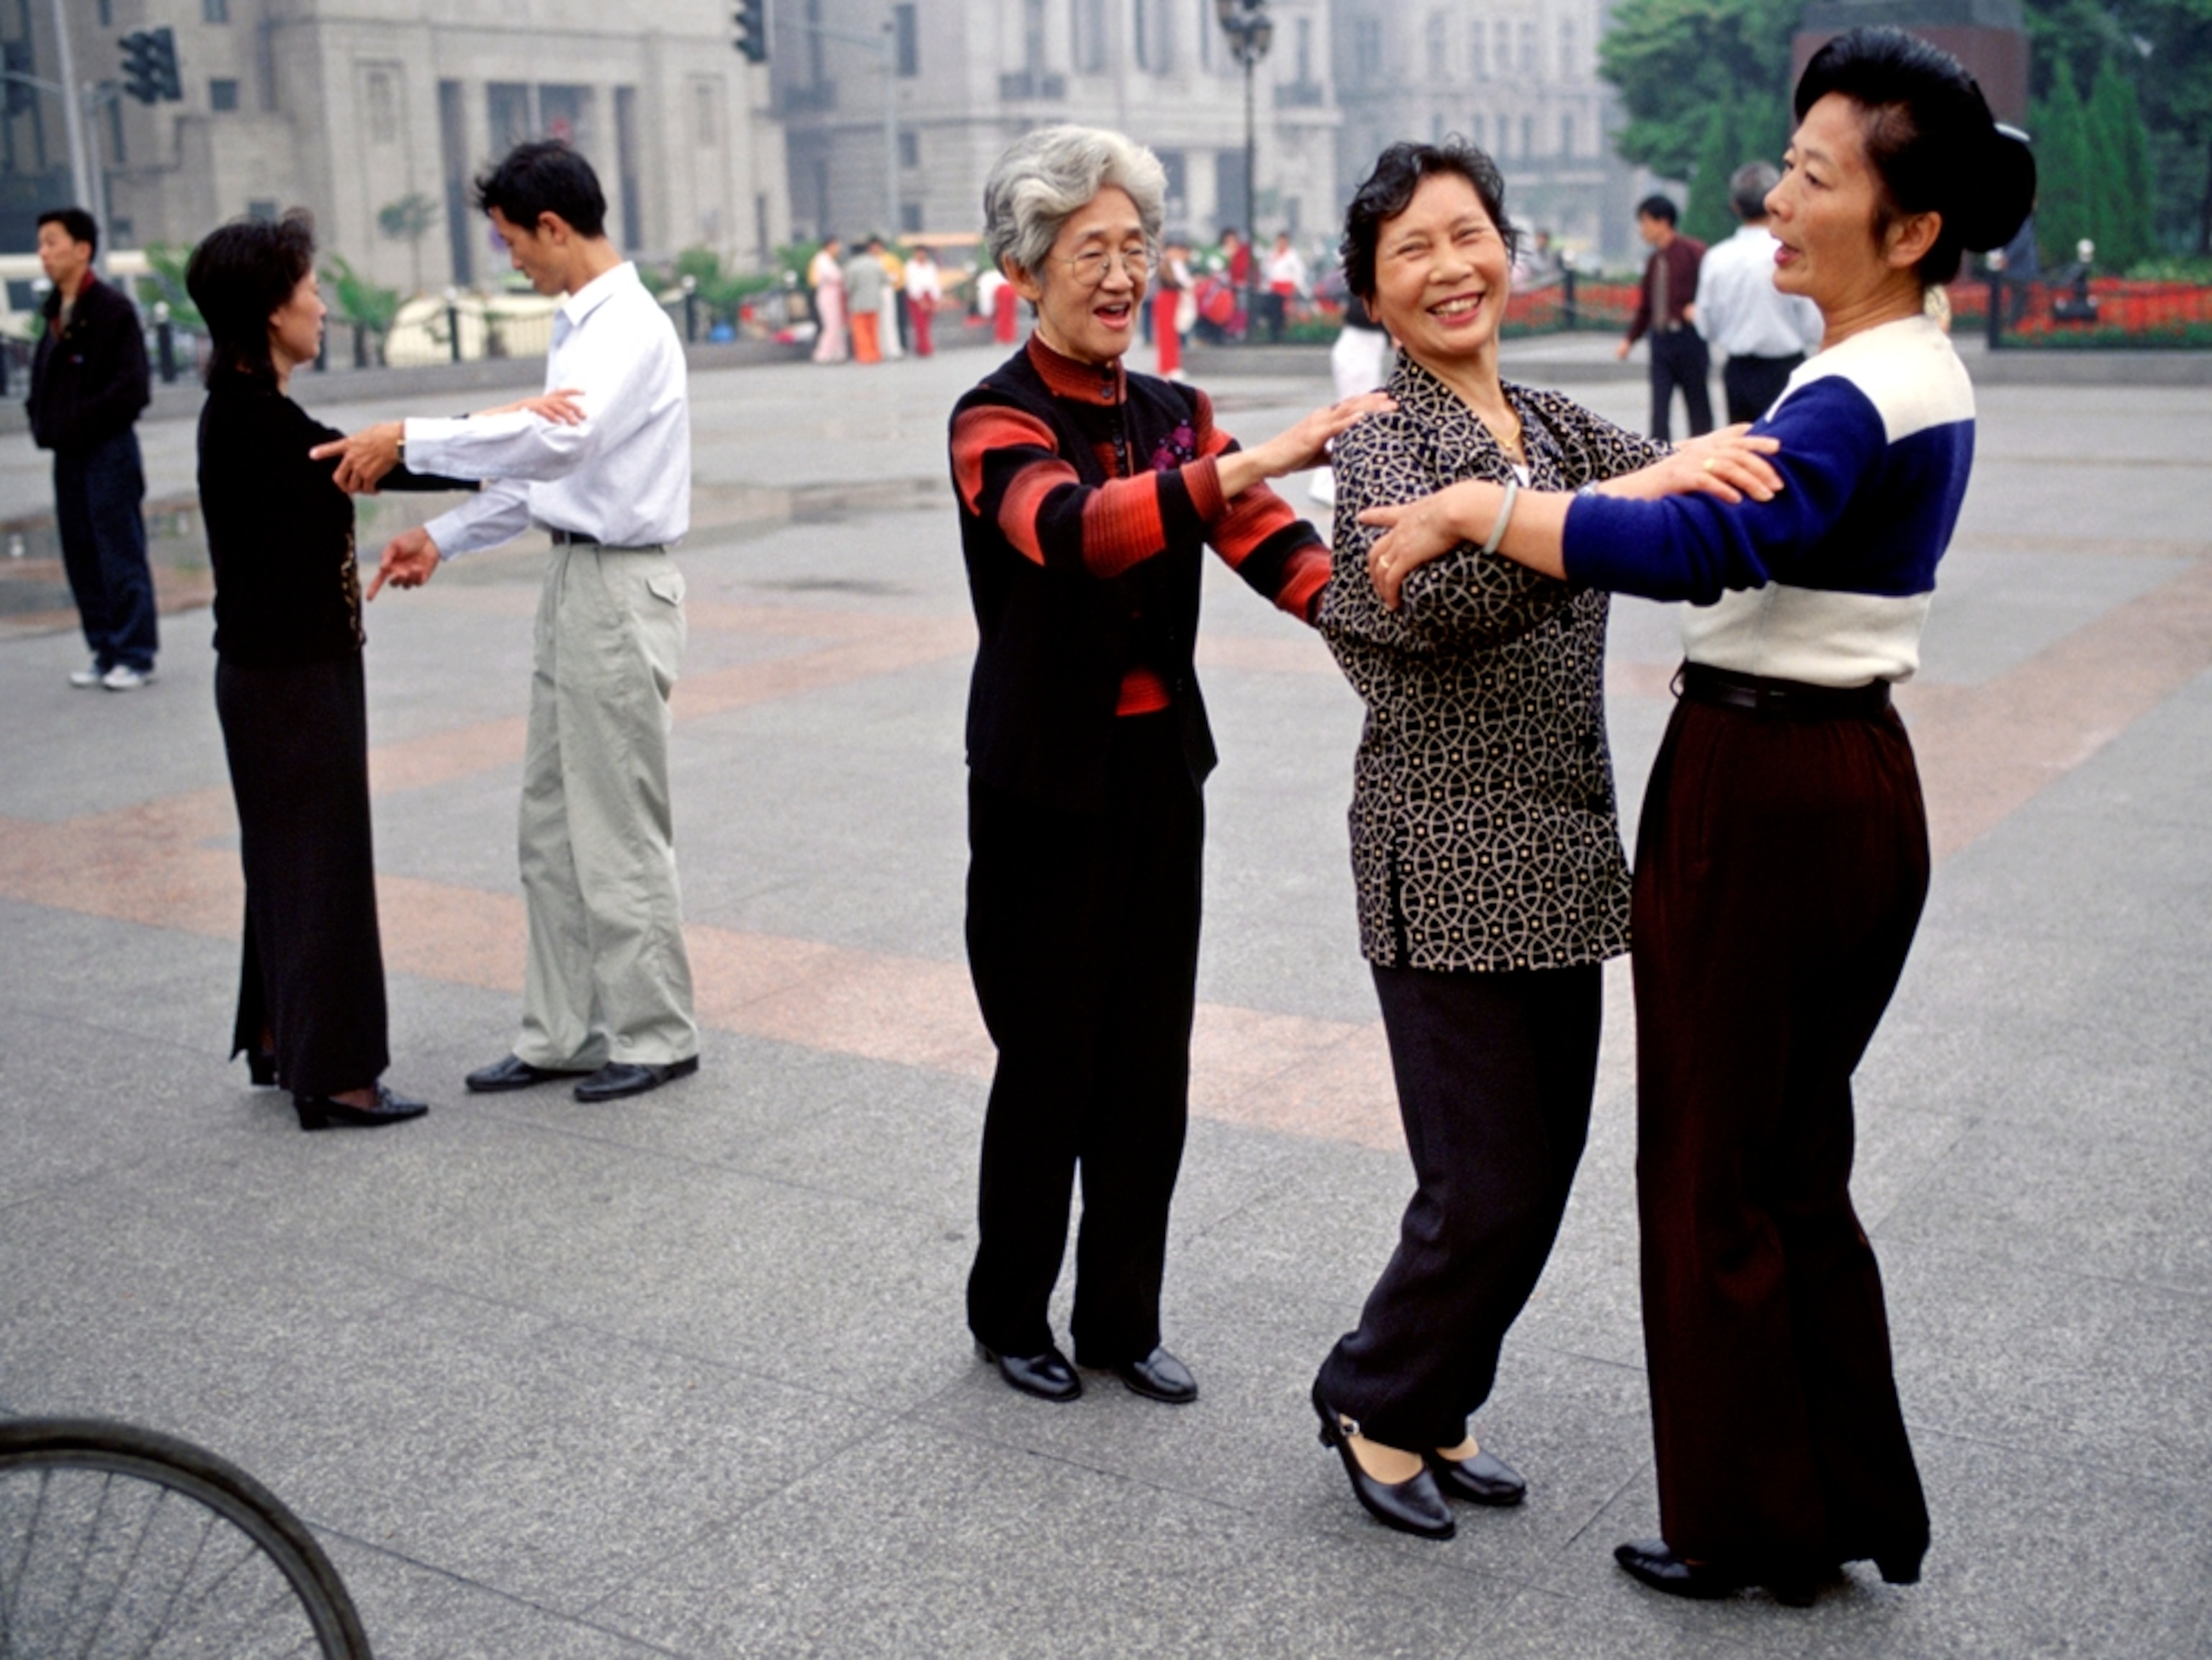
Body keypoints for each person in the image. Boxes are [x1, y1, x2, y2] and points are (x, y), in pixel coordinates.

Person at [1359, 27, 2036, 1599]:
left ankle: (1752, 1522)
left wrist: (1479, 507)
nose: (1777, 200)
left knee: (1718, 1162)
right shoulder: (1894, 367)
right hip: (1829, 774)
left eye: (1812, 174)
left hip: (1773, 789)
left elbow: (1699, 546)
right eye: (1787, 168)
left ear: (1913, 226)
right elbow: (1675, 501)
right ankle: (1826, 1503)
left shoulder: (1860, 386)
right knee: (1789, 1155)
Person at [1307, 139, 1777, 1543]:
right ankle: (1372, 1394)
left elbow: (1677, 506)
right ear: (1377, 299)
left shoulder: (1556, 425)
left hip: (1563, 855)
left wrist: (1672, 481)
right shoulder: (1380, 440)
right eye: (1413, 253)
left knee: (1540, 1172)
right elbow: (1440, 607)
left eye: (1469, 236)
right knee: (1482, 1182)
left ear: (1508, 248)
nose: (1451, 268)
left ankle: (1440, 1394)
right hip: (1441, 855)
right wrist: (1556, 513)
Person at [951, 125, 1390, 1409]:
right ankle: (1008, 1311)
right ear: (1027, 270)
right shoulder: (992, 419)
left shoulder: (1173, 416)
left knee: (1147, 1055)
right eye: (1090, 249)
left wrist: (1377, 613)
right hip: (1040, 785)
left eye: (1136, 249)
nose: (1119, 274)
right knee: (1048, 1055)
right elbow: (1076, 532)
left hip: (1156, 773)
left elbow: (1267, 546)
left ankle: (1119, 1319)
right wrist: (1253, 458)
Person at [313, 140, 705, 1107]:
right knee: (550, 829)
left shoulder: (626, 328)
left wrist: (411, 437)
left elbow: (558, 434)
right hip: (577, 586)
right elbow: (545, 475)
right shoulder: (580, 325)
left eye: (512, 242)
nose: (512, 261)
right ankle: (563, 1033)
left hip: (618, 590)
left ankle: (657, 1032)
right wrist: (442, 535)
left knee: (615, 827)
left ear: (555, 226)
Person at [186, 213, 467, 1129]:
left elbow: (361, 458)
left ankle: (280, 1033)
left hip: (275, 677)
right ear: (271, 310)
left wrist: (492, 450)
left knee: (286, 860)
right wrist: (506, 442)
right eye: (307, 287)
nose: (319, 302)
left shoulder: (244, 410)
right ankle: (338, 1076)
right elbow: (369, 462)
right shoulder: (259, 422)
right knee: (322, 863)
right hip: (292, 681)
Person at [30, 207, 157, 691]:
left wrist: (76, 422)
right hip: (69, 455)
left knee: (118, 551)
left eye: (52, 242)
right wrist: (44, 422)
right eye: (41, 244)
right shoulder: (55, 314)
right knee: (81, 552)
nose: (43, 253)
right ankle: (103, 648)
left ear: (83, 249)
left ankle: (135, 653)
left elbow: (132, 388)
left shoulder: (111, 311)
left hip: (108, 452)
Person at [1696, 161, 1824, 423]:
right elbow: (1814, 325)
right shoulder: (1792, 254)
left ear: (1735, 205)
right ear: (1774, 200)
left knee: (1743, 450)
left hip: (1738, 371)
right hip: (1786, 368)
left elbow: (1705, 325)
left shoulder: (1717, 257)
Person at [1617, 194, 1713, 441]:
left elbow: (1713, 287)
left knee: (1698, 406)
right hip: (1661, 342)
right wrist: (1630, 340)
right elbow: (1646, 308)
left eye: (1645, 222)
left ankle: (1704, 458)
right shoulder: (1653, 262)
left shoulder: (1694, 252)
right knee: (1659, 409)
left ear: (1663, 222)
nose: (1642, 229)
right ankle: (1659, 460)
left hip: (1689, 339)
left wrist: (1701, 309)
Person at [1306, 288, 1388, 508]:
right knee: (1351, 417)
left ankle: (1333, 484)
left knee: (1355, 417)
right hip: (1358, 350)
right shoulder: (1367, 290)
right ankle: (1325, 484)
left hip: (1366, 349)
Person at [1152, 233, 1192, 379]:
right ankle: (1167, 367)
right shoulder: (1166, 264)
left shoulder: (1175, 264)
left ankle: (1171, 365)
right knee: (1166, 334)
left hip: (1173, 298)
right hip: (1167, 298)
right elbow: (1173, 281)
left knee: (1172, 334)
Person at [845, 238, 886, 364]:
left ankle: (865, 355)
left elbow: (849, 286)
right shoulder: (875, 263)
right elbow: (883, 280)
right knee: (873, 330)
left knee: (861, 331)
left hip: (858, 303)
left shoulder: (852, 266)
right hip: (874, 301)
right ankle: (876, 353)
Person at [1262, 230, 1308, 343]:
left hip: (1286, 288)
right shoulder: (1271, 254)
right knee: (1273, 311)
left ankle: (1282, 334)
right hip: (1273, 287)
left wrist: (1296, 285)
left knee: (1284, 313)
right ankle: (1274, 333)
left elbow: (1299, 272)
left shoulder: (1292, 255)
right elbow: (1265, 270)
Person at [809, 235, 848, 363]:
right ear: (829, 246)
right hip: (827, 293)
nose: (838, 249)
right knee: (831, 325)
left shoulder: (830, 260)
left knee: (838, 325)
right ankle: (822, 354)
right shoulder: (822, 259)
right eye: (836, 246)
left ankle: (838, 353)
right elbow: (834, 277)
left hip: (835, 293)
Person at [903, 245, 941, 357]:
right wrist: (920, 300)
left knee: (927, 323)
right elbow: (911, 284)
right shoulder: (910, 267)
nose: (921, 255)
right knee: (919, 324)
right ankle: (924, 348)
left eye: (923, 252)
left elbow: (935, 282)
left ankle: (924, 346)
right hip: (916, 297)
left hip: (929, 294)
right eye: (918, 253)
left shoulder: (931, 266)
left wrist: (936, 300)